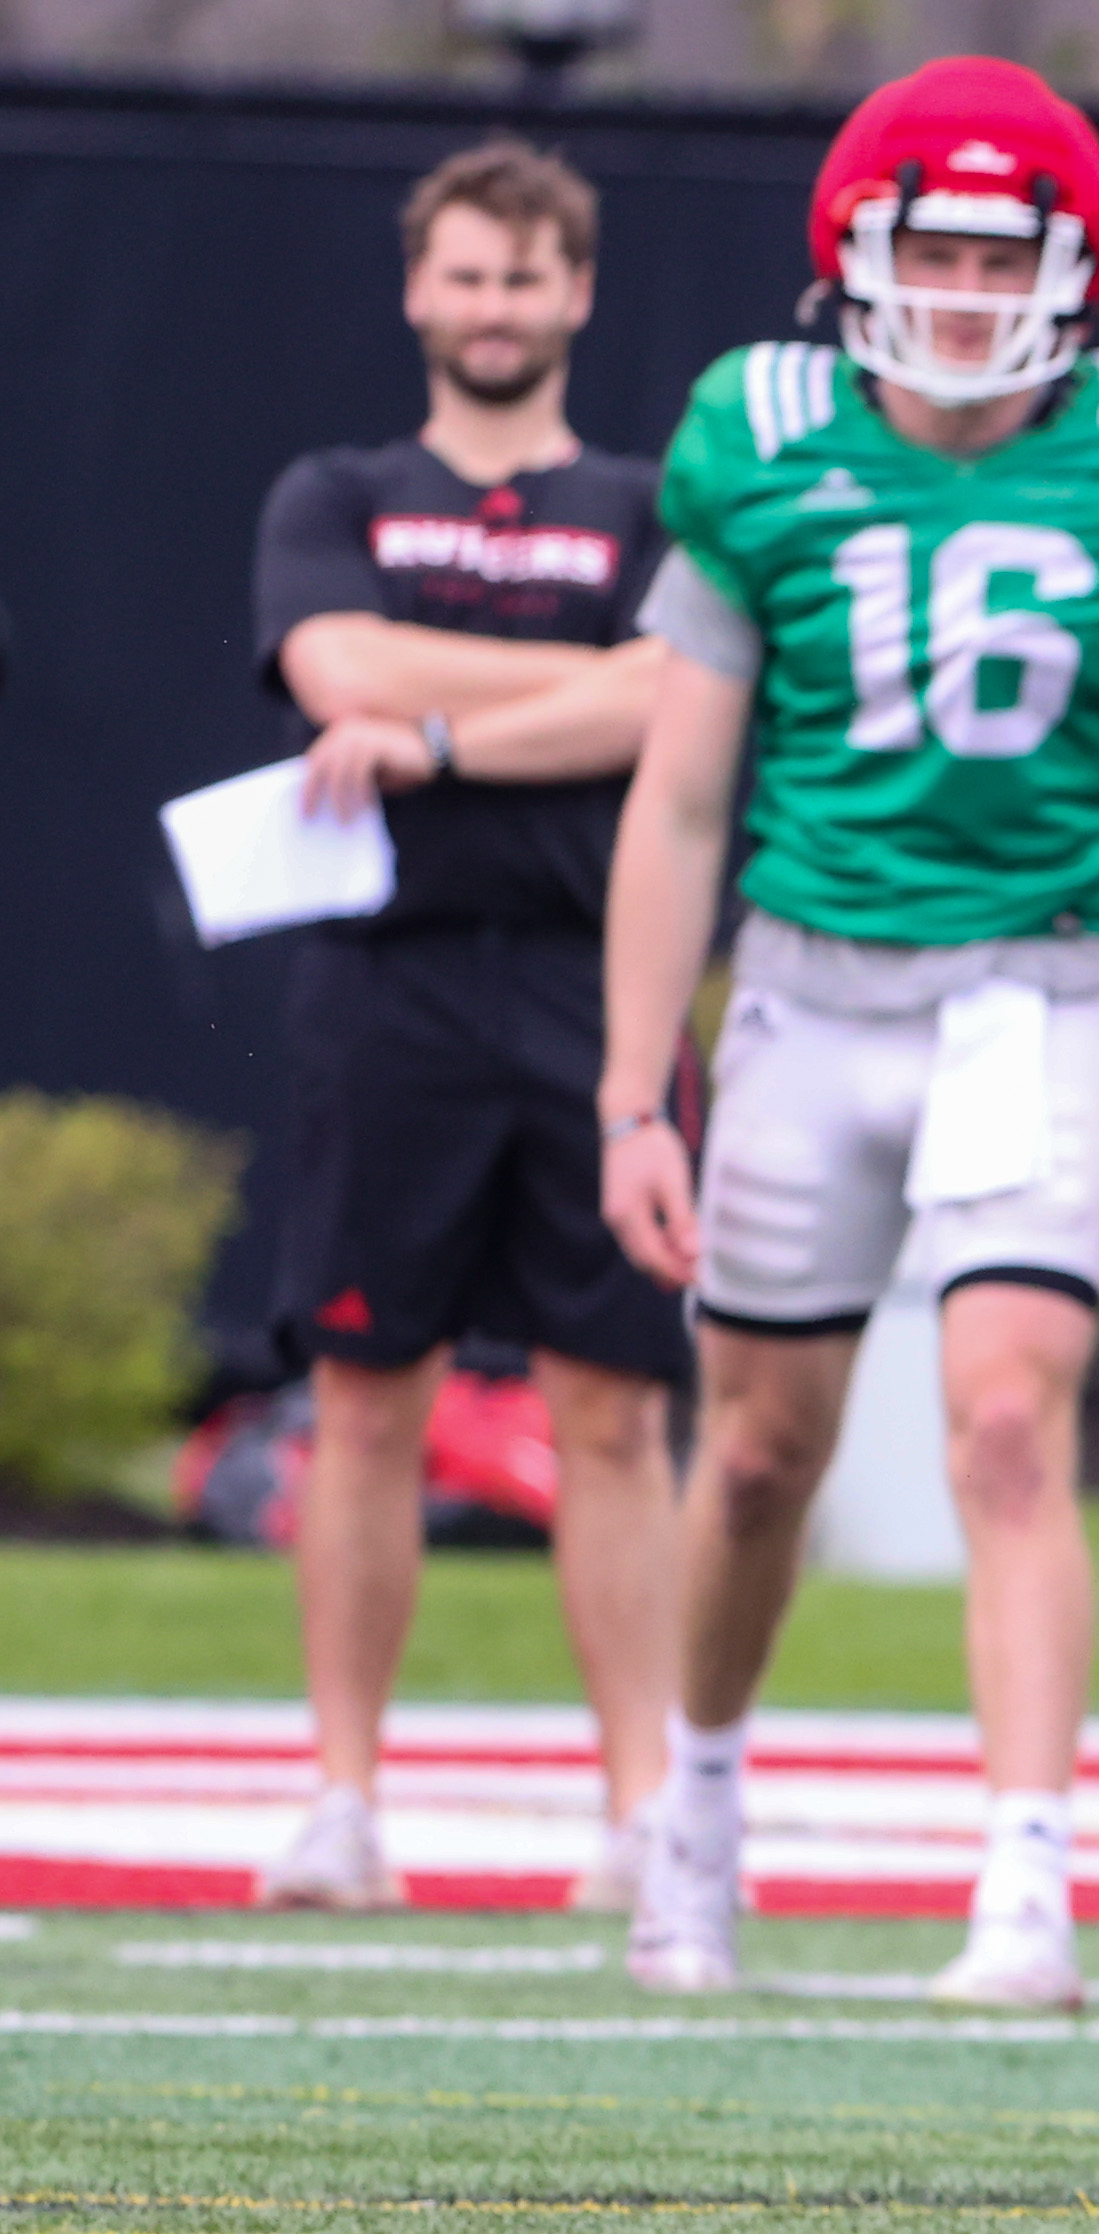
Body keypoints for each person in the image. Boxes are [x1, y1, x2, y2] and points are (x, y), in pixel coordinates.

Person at [597, 58, 1099, 2006]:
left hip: (1028, 988)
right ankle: (696, 1807)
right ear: (860, 259)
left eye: (1002, 251)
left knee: (1002, 1420)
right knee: (754, 1457)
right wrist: (638, 1091)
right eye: (933, 248)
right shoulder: (762, 429)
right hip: (804, 987)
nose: (966, 289)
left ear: (1071, 269)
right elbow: (678, 797)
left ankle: (1025, 1878)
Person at [249, 139, 682, 1913]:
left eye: (527, 276)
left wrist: (430, 718)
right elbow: (330, 669)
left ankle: (645, 1814)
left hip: (602, 987)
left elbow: (677, 699)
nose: (494, 305)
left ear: (576, 294)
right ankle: (344, 1804)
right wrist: (574, 688)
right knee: (364, 1396)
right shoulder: (333, 488)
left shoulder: (650, 506)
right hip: (388, 985)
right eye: (467, 274)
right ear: (419, 291)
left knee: (611, 1408)